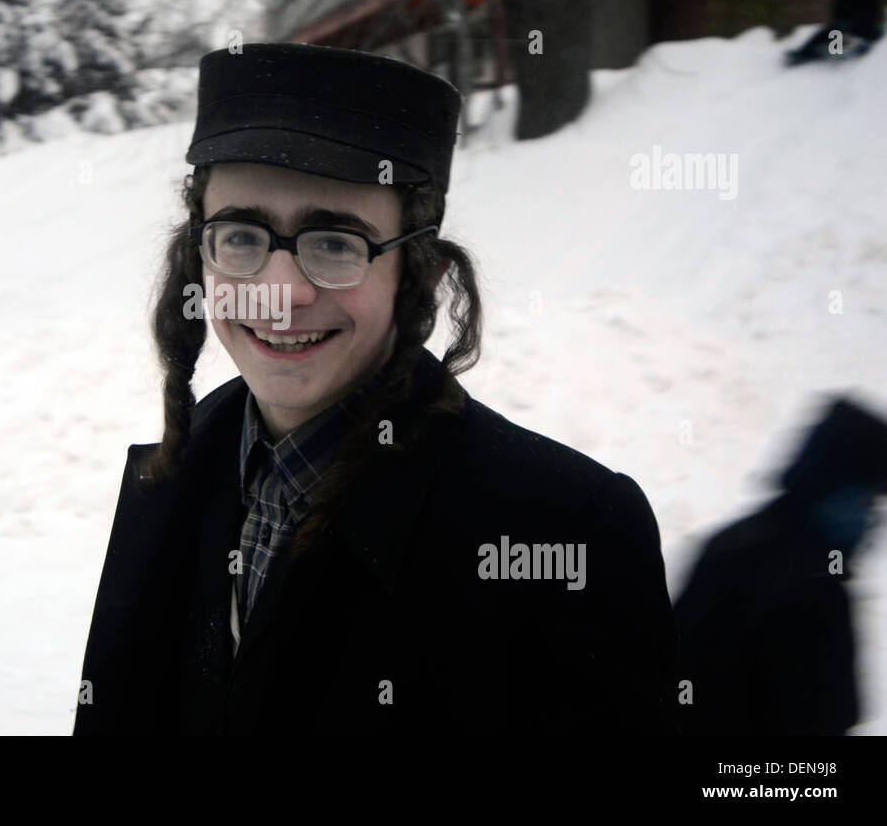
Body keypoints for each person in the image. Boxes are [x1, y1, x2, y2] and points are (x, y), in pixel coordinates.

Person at [73, 42, 678, 735]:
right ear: (198, 253)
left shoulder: (566, 531)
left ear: (418, 274)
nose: (278, 295)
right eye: (241, 236)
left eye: (334, 243)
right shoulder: (172, 475)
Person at [674, 396, 887, 735]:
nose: (873, 517)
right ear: (833, 486)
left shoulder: (730, 541)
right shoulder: (817, 586)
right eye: (868, 496)